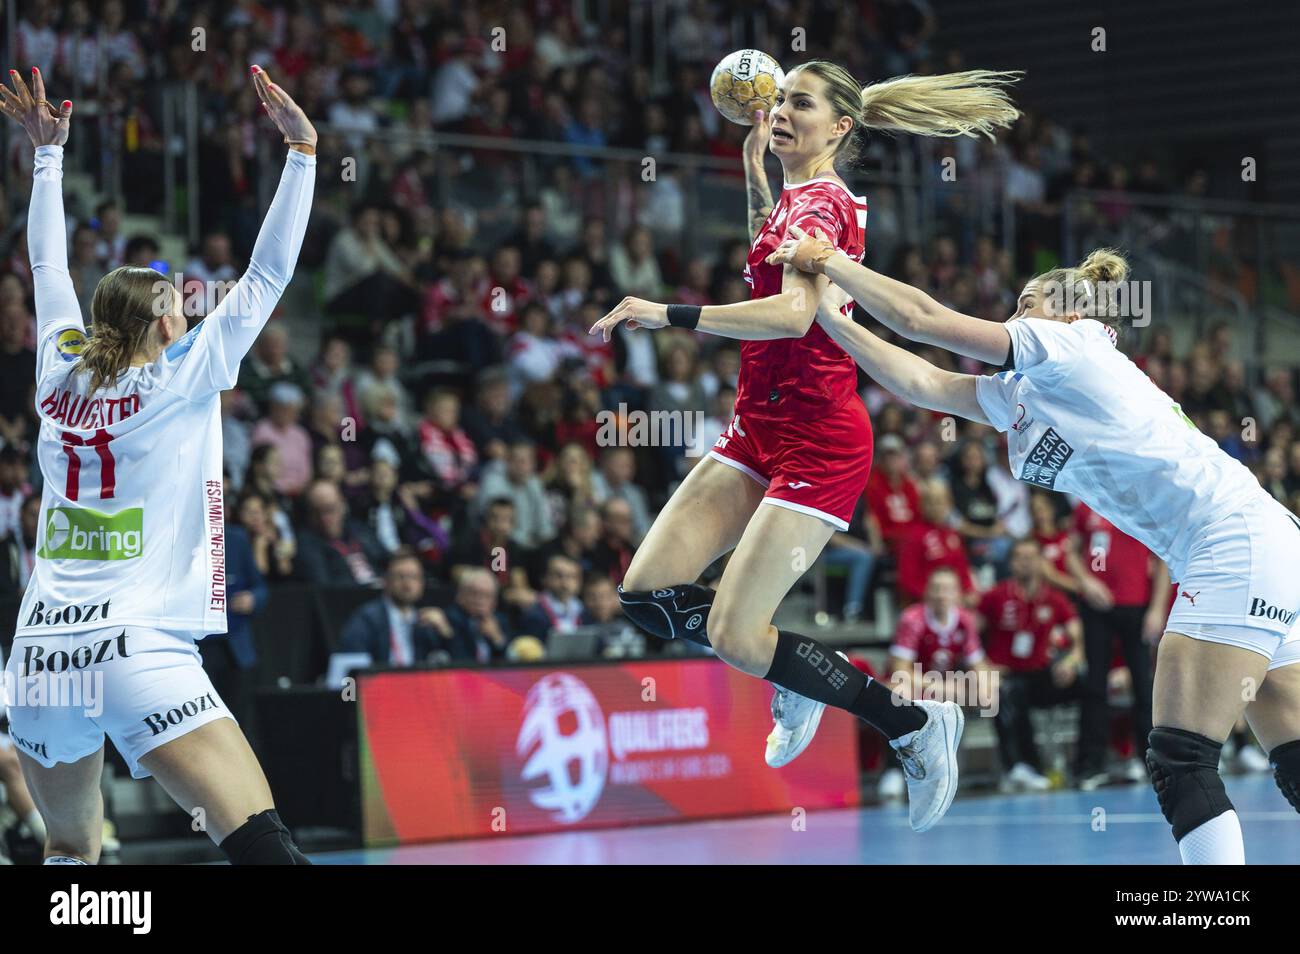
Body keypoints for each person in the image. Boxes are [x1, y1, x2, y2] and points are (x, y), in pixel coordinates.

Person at [769, 227, 1300, 864]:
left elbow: (924, 319)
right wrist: (828, 316)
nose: (1016, 315)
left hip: (1229, 542)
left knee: (1181, 757)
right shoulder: (1026, 393)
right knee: (1293, 755)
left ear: (1071, 311)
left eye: (1029, 303)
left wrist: (827, 259)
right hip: (1263, 543)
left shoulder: (1071, 344)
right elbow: (925, 384)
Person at [589, 61, 1020, 831]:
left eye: (801, 104)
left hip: (820, 440)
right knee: (647, 593)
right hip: (758, 425)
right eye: (780, 99)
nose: (781, 111)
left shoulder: (821, 202)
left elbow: (791, 315)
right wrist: (757, 172)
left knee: (731, 633)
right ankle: (789, 672)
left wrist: (669, 313)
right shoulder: (798, 197)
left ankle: (914, 724)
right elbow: (771, 262)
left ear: (840, 128)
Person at [0, 64, 316, 864]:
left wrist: (46, 158)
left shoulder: (58, 372)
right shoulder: (188, 369)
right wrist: (303, 153)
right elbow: (269, 272)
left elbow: (47, 271)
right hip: (136, 647)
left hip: (40, 659)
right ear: (164, 322)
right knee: (265, 848)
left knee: (70, 854)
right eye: (180, 298)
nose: (192, 302)